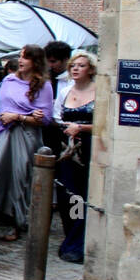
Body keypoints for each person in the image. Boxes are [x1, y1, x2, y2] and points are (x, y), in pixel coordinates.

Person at [0, 44, 54, 241]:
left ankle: (16, 223)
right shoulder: (8, 80)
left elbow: (45, 119)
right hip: (2, 134)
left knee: (19, 178)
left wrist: (18, 117)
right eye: (20, 56)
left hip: (25, 136)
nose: (21, 60)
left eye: (26, 57)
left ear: (35, 62)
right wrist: (12, 116)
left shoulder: (43, 85)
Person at [55, 50, 96, 263]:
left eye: (81, 65)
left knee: (83, 194)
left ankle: (79, 242)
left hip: (88, 148)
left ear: (90, 69)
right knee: (68, 195)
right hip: (68, 149)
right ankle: (70, 235)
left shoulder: (99, 91)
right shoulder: (65, 91)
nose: (76, 69)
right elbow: (56, 117)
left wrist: (80, 127)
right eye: (73, 66)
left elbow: (104, 124)